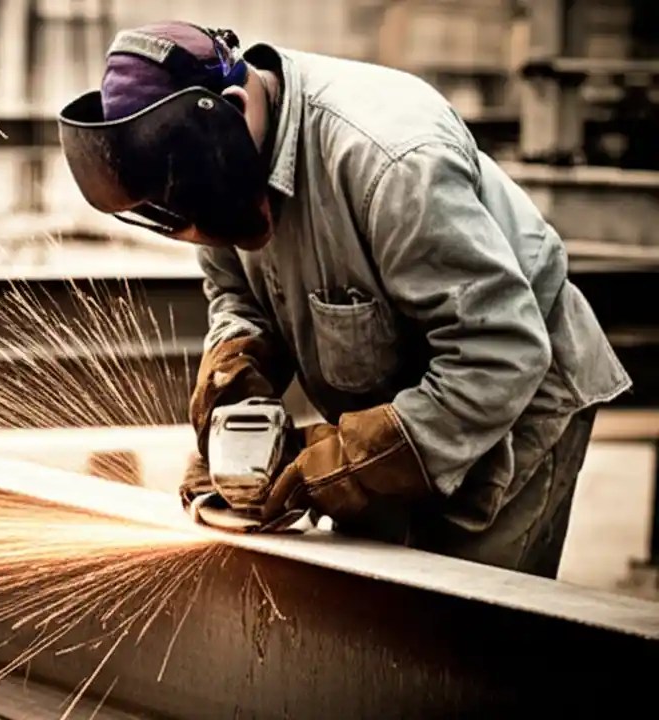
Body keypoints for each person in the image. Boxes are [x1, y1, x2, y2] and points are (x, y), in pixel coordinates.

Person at [56, 21, 631, 577]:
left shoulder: (392, 160)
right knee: (381, 616)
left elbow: (500, 351)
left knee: (463, 639)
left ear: (233, 109)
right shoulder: (210, 170)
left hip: (515, 403)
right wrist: (238, 373)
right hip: (398, 389)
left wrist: (347, 462)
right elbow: (237, 292)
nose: (207, 236)